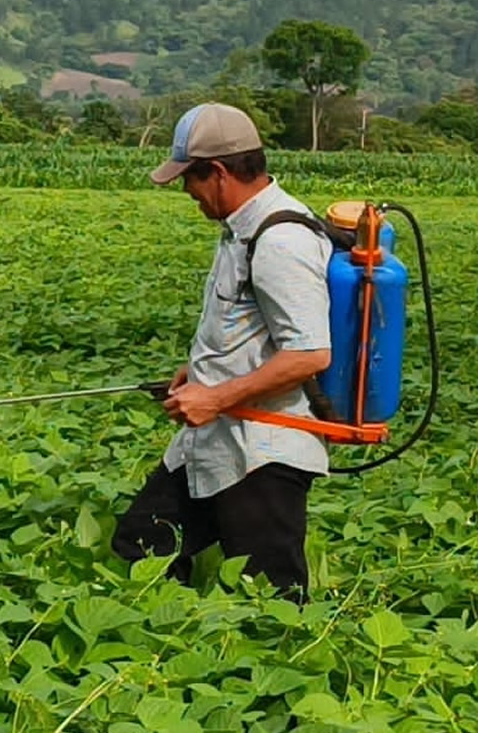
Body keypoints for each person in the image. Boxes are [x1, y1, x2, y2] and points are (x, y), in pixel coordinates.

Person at [111, 103, 333, 602]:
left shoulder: (281, 242)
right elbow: (253, 326)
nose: (187, 193)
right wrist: (202, 367)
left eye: (188, 179)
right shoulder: (242, 230)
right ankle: (170, 656)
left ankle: (279, 675)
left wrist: (216, 396)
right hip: (217, 441)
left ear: (217, 172)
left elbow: (310, 354)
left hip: (264, 453)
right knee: (141, 547)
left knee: (269, 602)